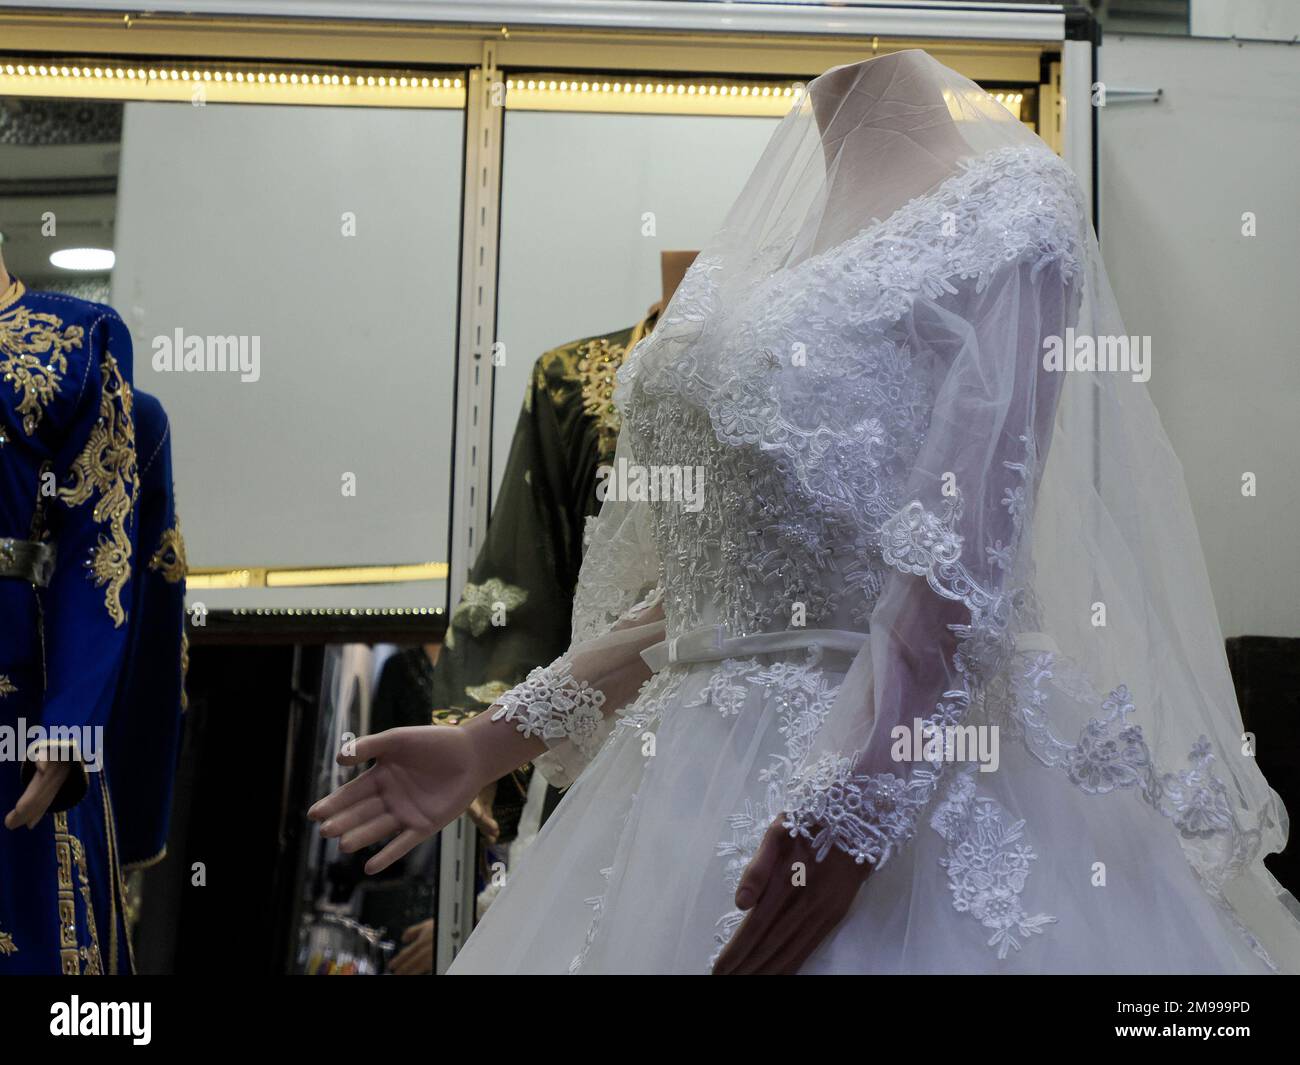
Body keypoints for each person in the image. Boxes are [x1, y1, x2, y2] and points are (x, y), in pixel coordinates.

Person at [311, 50, 1300, 974]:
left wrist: (858, 809)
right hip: (685, 783)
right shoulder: (756, 262)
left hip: (905, 771)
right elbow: (697, 603)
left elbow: (960, 557)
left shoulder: (1007, 213)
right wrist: (490, 740)